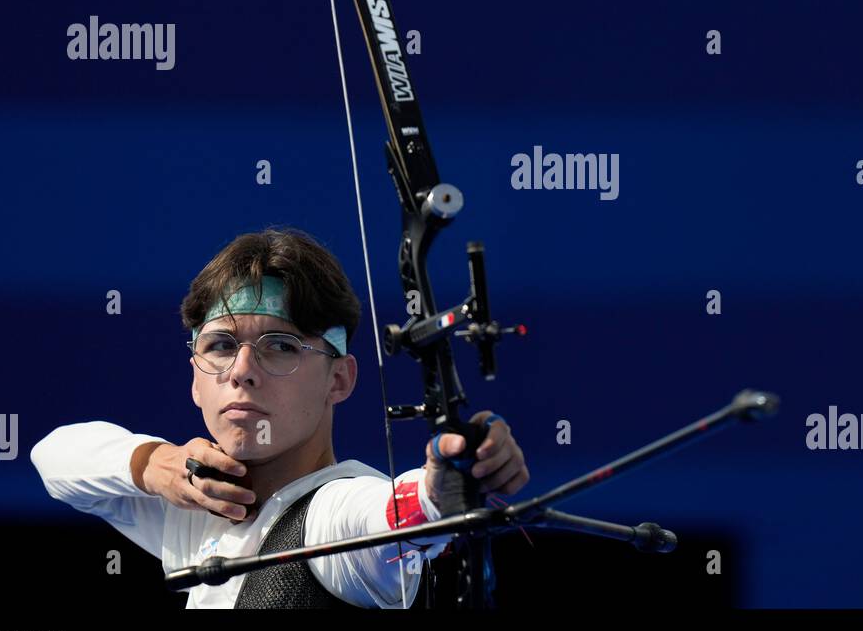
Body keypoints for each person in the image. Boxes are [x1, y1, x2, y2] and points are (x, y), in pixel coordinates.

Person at [30, 227, 529, 608]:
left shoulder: (336, 512)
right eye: (222, 345)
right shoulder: (198, 504)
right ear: (195, 378)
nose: (242, 371)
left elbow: (386, 519)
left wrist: (441, 491)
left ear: (339, 379)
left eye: (281, 346)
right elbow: (54, 457)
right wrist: (155, 465)